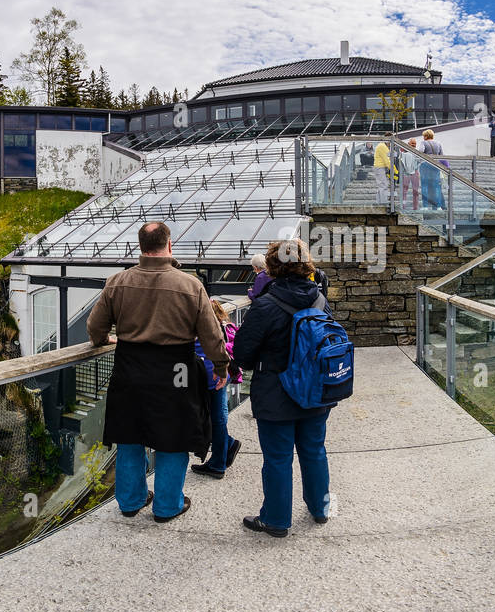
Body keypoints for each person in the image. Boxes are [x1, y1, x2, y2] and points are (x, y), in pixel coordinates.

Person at [89, 220, 231, 524]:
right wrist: (220, 367)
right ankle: (167, 506)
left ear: (141, 247)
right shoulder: (190, 285)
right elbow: (211, 334)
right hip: (176, 370)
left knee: (129, 434)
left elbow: (95, 327)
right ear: (170, 245)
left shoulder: (117, 282)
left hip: (130, 368)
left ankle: (131, 501)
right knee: (174, 436)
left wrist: (103, 341)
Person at [230, 238, 336, 534]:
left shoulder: (265, 305)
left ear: (273, 266)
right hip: (315, 392)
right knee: (314, 450)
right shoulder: (320, 300)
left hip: (276, 393)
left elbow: (242, 355)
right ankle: (320, 508)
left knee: (277, 458)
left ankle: (276, 520)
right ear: (306, 264)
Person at [191, 297, 242, 478]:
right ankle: (226, 448)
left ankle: (219, 461)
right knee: (217, 418)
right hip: (221, 374)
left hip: (208, 377)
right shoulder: (221, 326)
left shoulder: (198, 327)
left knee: (209, 419)